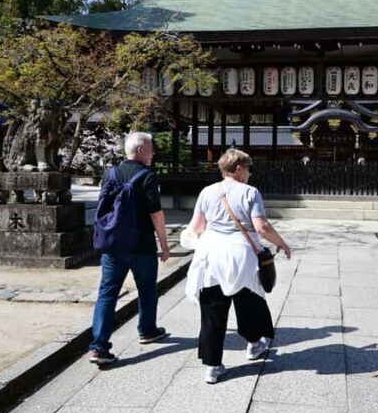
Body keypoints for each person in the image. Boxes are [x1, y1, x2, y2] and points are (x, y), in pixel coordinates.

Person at [185, 148, 292, 384]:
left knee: (212, 312)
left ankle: (212, 367)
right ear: (239, 168)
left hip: (211, 256)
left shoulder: (207, 192)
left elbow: (197, 226)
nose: (250, 174)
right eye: (249, 169)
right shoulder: (250, 192)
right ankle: (254, 345)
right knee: (250, 303)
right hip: (241, 256)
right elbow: (261, 226)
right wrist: (282, 244)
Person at [88, 132, 171, 365]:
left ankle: (99, 347)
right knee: (147, 290)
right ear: (142, 150)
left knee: (107, 293)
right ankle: (147, 330)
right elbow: (156, 213)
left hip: (113, 245)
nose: (153, 153)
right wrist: (164, 245)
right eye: (151, 149)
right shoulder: (147, 176)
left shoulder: (110, 173)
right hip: (141, 246)